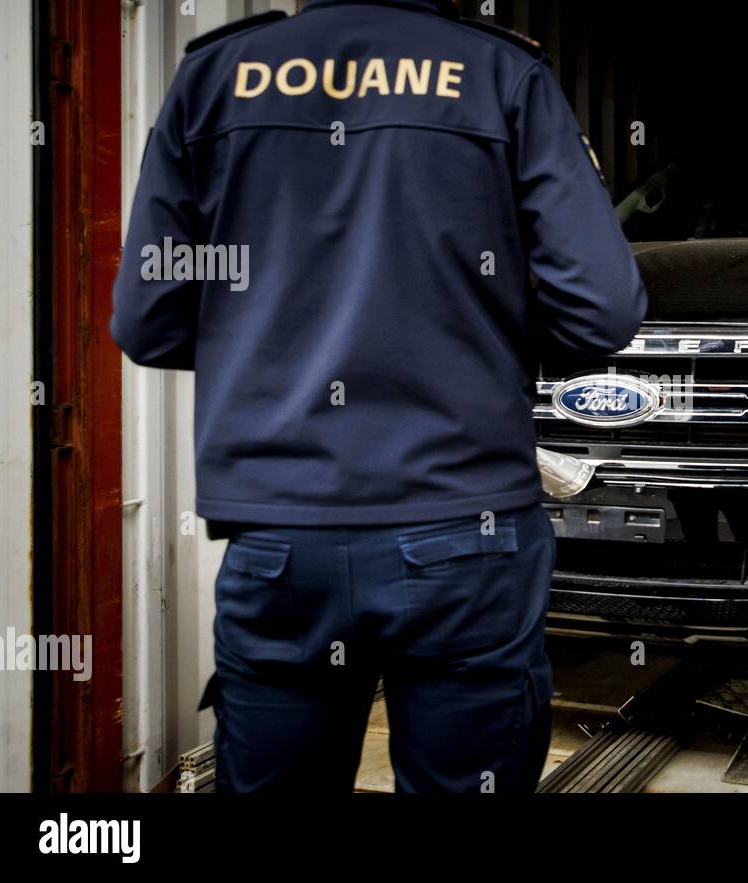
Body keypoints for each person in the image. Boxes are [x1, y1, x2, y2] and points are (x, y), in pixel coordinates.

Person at [110, 0, 647, 793]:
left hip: (284, 532)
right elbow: (601, 307)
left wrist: (266, 347)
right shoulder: (500, 72)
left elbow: (148, 320)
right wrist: (481, 345)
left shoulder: (216, 76)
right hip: (465, 529)